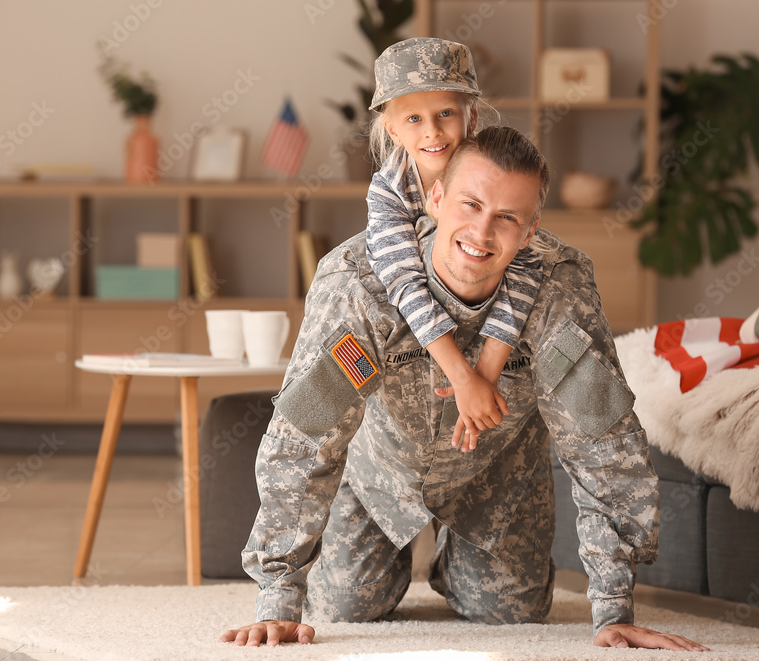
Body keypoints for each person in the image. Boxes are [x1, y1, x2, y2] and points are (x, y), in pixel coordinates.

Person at [220, 126, 709, 652]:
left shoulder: (559, 289)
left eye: (507, 217)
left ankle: (466, 560)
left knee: (510, 614)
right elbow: (306, 434)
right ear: (435, 198)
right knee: (350, 605)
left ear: (530, 230)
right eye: (471, 204)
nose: (482, 231)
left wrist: (613, 606)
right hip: (375, 476)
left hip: (498, 479)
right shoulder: (357, 285)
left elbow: (600, 438)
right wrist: (278, 593)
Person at [365, 38, 544, 451]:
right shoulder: (389, 193)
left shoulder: (499, 173)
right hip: (416, 355)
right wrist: (462, 379)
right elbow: (405, 284)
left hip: (493, 344)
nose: (432, 131)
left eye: (445, 113)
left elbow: (525, 267)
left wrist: (485, 373)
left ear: (472, 115)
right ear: (392, 129)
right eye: (413, 119)